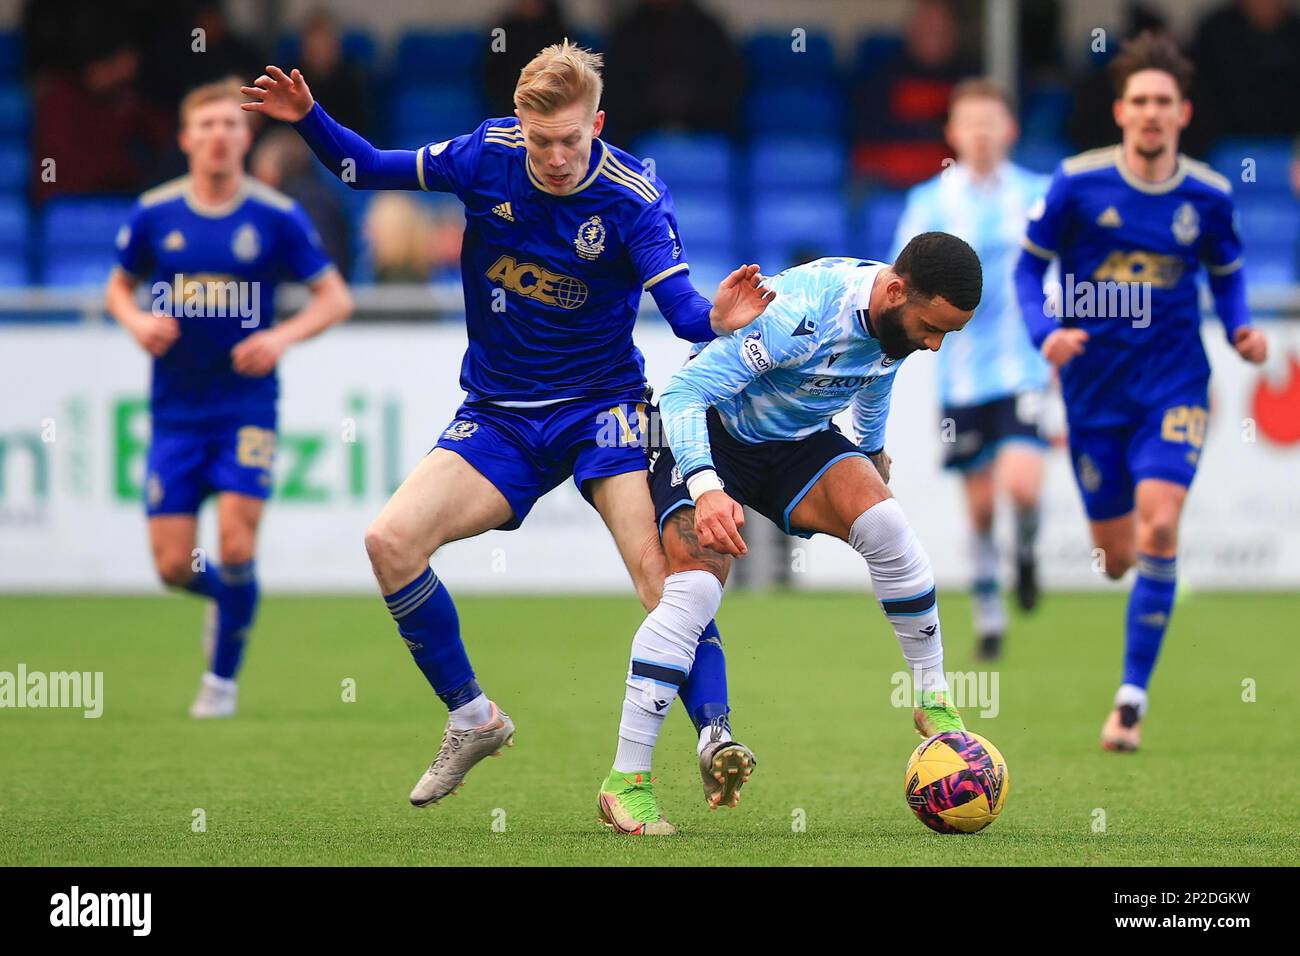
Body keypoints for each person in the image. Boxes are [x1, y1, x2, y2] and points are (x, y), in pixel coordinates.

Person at [240, 42, 774, 807]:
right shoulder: (484, 155)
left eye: (570, 140)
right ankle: (473, 719)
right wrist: (310, 118)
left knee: (662, 580)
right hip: (499, 414)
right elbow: (365, 169)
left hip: (606, 411)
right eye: (539, 140)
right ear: (519, 124)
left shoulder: (633, 195)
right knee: (389, 543)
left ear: (599, 122)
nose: (554, 158)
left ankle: (715, 733)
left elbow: (686, 313)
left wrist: (718, 321)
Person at [597, 235, 983, 835]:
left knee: (885, 522)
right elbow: (682, 394)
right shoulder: (799, 312)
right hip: (708, 433)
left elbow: (875, 374)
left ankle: (933, 698)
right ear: (897, 290)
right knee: (696, 593)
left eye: (945, 335)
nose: (933, 344)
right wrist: (705, 487)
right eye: (931, 328)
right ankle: (627, 781)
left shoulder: (897, 321)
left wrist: (872, 450)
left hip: (794, 444)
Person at [1015, 32, 1268, 752]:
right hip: (1094, 395)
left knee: (1160, 527)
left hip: (1176, 384)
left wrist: (1243, 327)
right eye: (1140, 101)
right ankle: (1130, 616)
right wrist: (1046, 336)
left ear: (1182, 112)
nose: (1152, 114)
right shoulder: (1074, 183)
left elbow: (1228, 274)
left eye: (1164, 102)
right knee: (1118, 557)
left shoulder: (1209, 196)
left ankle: (1129, 701)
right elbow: (1028, 275)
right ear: (1121, 112)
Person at [104, 79, 353, 717]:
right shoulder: (155, 213)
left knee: (238, 544)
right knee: (171, 566)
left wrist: (280, 337)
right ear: (187, 138)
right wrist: (136, 322)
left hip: (246, 408)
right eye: (207, 125)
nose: (220, 135)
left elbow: (335, 298)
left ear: (246, 137)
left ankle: (220, 682)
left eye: (231, 125)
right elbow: (117, 289)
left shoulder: (275, 216)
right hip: (175, 415)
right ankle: (231, 601)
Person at [892, 79, 1052, 660]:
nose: (981, 134)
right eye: (970, 123)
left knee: (1022, 486)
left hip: (1024, 367)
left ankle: (1028, 553)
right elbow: (899, 282)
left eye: (992, 122)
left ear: (1010, 129)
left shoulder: (1039, 195)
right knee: (981, 504)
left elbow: (1064, 264)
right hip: (959, 376)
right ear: (953, 132)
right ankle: (989, 610)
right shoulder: (928, 203)